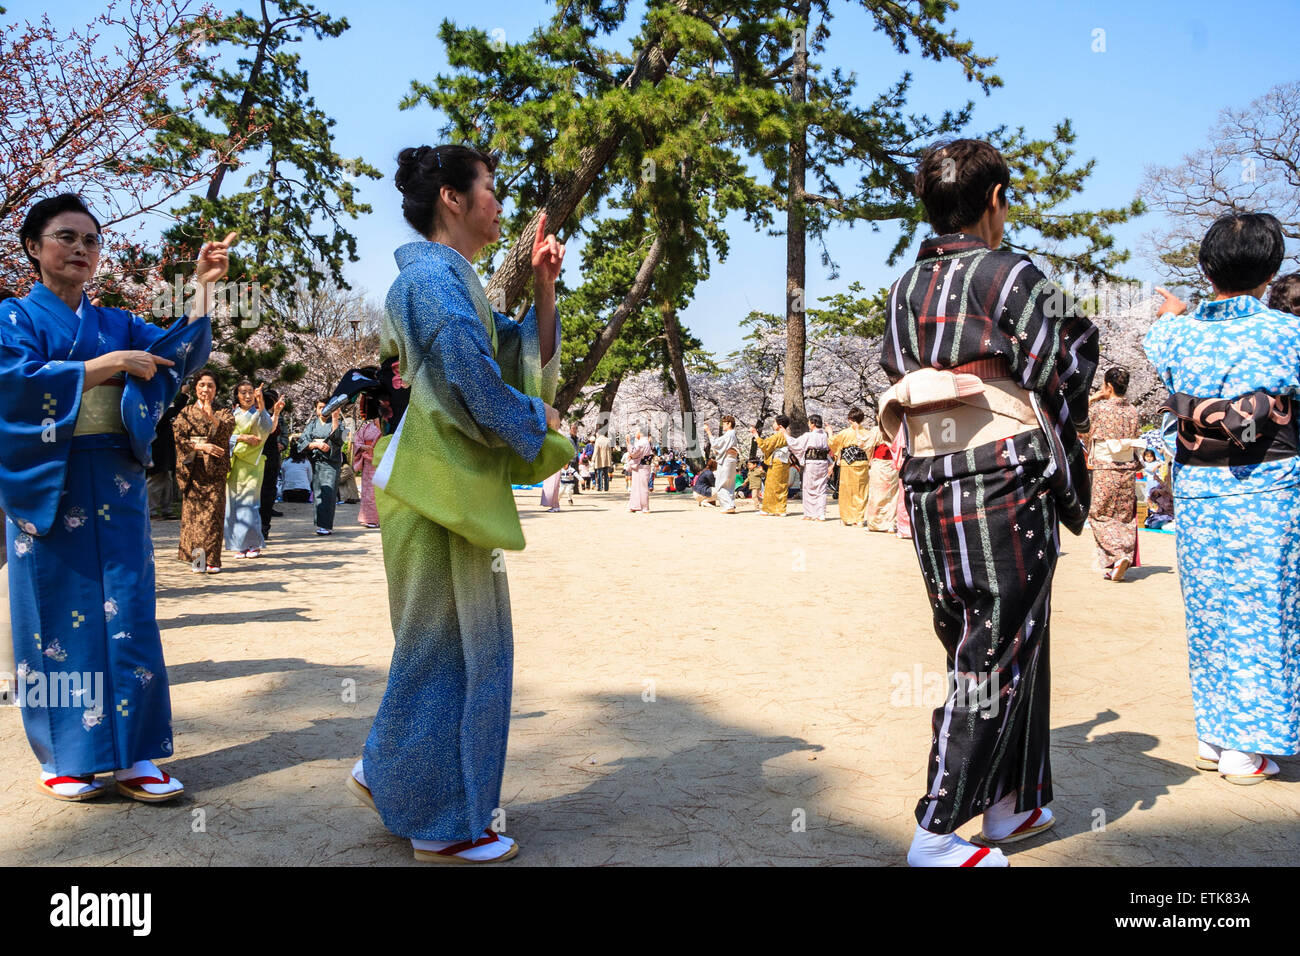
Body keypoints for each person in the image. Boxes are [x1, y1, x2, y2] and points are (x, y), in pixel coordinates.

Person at [879, 139, 1098, 866]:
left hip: (930, 475)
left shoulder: (903, 287)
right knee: (997, 645)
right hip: (1003, 467)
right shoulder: (1015, 274)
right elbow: (1060, 362)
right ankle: (937, 831)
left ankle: (1009, 804)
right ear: (995, 199)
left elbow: (896, 368)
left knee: (984, 635)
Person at [349, 143, 568, 864]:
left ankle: (388, 771)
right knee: (454, 649)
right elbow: (477, 385)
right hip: (431, 481)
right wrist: (539, 428)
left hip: (438, 481)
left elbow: (518, 355)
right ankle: (440, 823)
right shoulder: (434, 285)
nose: (499, 204)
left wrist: (542, 288)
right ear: (453, 197)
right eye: (491, 189)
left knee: (440, 643)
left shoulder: (453, 282)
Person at [0, 192, 230, 801]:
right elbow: (12, 384)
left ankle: (136, 755)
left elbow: (179, 349)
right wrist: (106, 367)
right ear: (33, 247)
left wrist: (203, 287)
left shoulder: (116, 321)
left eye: (91, 241)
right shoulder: (14, 319)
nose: (81, 249)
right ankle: (69, 755)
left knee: (128, 611)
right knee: (56, 619)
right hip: (50, 474)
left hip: (117, 476)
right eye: (66, 237)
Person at [1144, 212, 1299, 785]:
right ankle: (1247, 745)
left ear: (1206, 267)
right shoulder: (1289, 335)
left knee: (1209, 606)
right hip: (1270, 487)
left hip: (1200, 489)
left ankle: (1214, 733)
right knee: (1266, 604)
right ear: (1272, 269)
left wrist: (1179, 313)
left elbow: (1159, 337)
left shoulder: (1172, 335)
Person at [174, 369, 236, 573]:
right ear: (195, 388)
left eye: (210, 385)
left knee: (213, 516)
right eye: (202, 385)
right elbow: (179, 437)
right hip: (193, 469)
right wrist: (201, 447)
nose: (205, 389)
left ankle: (213, 561)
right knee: (194, 519)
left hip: (214, 471)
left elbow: (227, 433)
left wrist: (212, 418)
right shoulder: (186, 412)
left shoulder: (224, 412)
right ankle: (198, 561)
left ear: (216, 389)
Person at [1086, 367, 1142, 581]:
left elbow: (1079, 421)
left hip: (1105, 466)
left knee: (1098, 514)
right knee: (1124, 516)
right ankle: (1124, 555)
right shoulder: (1133, 411)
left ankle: (1117, 556)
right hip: (1127, 467)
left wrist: (1094, 397)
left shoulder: (1099, 409)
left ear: (1108, 386)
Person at [224, 380, 278, 558]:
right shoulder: (231, 416)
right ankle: (240, 545)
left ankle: (254, 544)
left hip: (252, 463)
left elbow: (267, 428)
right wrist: (241, 437)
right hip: (234, 464)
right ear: (237, 397)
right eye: (243, 393)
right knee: (233, 506)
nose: (247, 396)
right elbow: (222, 436)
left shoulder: (258, 413)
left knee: (249, 504)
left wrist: (262, 403)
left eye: (250, 392)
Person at [296, 399, 344, 535]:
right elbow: (302, 442)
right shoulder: (312, 424)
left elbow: (339, 440)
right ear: (316, 409)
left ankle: (326, 525)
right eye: (320, 407)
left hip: (331, 462)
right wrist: (316, 445)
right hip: (316, 462)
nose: (323, 410)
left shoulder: (338, 423)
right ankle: (321, 523)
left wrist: (335, 418)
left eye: (326, 407)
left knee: (328, 492)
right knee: (318, 492)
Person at [828, 408, 874, 526]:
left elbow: (833, 443)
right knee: (861, 491)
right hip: (862, 464)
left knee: (846, 491)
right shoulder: (867, 433)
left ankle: (846, 518)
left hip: (848, 463)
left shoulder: (845, 433)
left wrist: (830, 432)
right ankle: (858, 518)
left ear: (849, 419)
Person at [784, 414, 830, 520]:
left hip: (812, 462)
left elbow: (795, 443)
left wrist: (785, 434)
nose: (808, 424)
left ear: (813, 423)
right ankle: (821, 514)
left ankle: (809, 513)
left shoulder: (809, 435)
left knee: (809, 487)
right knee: (821, 488)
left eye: (809, 422)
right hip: (823, 462)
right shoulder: (824, 435)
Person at [258, 388, 285, 540]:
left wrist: (283, 444)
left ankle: (264, 527)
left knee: (268, 493)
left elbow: (281, 433)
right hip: (254, 457)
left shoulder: (278, 416)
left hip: (271, 456)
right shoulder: (253, 413)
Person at [863, 422, 899, 532]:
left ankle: (876, 523)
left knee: (877, 494)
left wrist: (869, 458)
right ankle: (890, 524)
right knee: (892, 495)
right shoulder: (896, 427)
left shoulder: (876, 430)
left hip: (880, 463)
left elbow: (868, 446)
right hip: (893, 463)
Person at [751, 416, 791, 516]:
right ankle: (780, 509)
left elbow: (765, 445)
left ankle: (767, 509)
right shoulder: (786, 435)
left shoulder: (778, 436)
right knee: (782, 486)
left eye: (774, 422)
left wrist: (756, 434)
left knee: (771, 486)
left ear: (779, 425)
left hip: (777, 462)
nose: (773, 424)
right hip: (785, 462)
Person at [353, 395, 383, 528]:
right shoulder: (366, 427)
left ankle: (379, 519)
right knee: (367, 492)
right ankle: (369, 518)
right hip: (367, 462)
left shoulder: (385, 426)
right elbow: (357, 440)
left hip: (380, 460)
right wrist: (362, 446)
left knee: (379, 491)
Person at [702, 416, 740, 514]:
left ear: (729, 424)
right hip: (731, 460)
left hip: (727, 460)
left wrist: (708, 431)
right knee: (729, 484)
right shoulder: (731, 435)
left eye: (724, 423)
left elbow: (716, 444)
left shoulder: (729, 435)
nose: (723, 425)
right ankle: (730, 504)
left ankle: (728, 506)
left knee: (721, 483)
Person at [626, 424, 653, 513]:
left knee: (642, 487)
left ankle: (644, 508)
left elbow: (634, 452)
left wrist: (628, 443)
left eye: (637, 431)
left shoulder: (642, 442)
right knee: (636, 486)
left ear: (641, 433)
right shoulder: (643, 441)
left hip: (642, 466)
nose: (635, 433)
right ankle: (635, 506)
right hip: (641, 466)